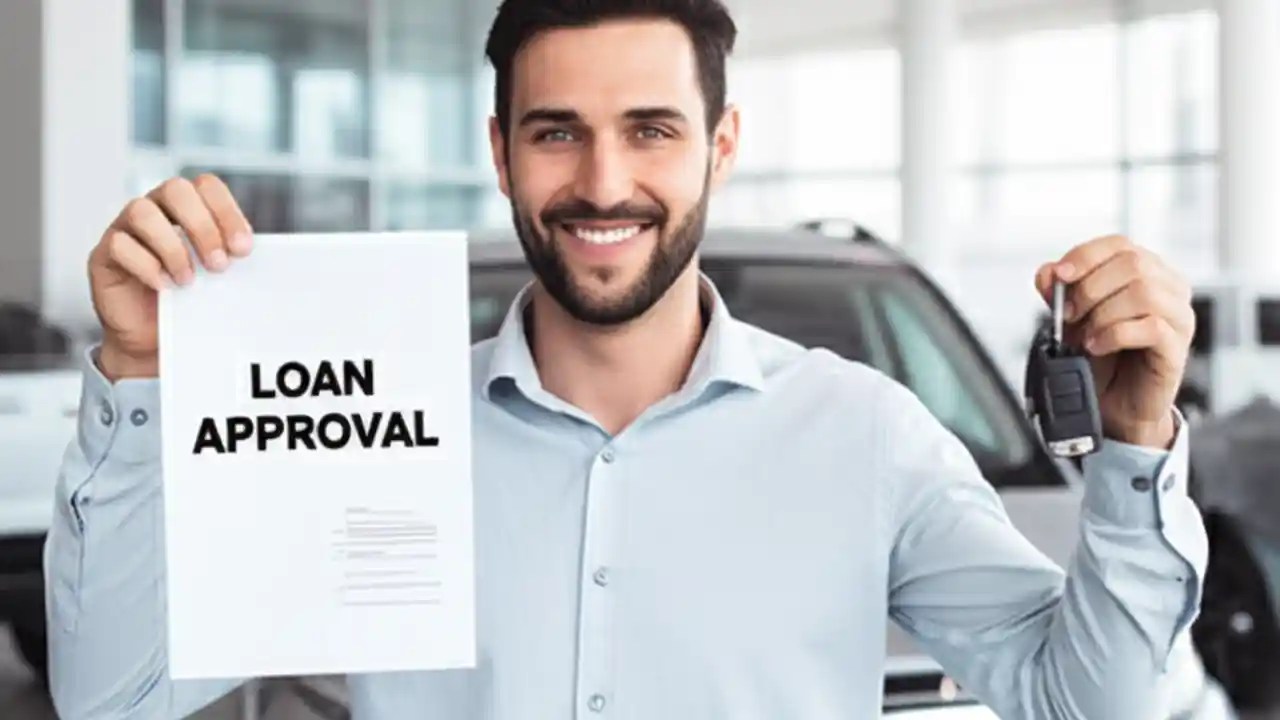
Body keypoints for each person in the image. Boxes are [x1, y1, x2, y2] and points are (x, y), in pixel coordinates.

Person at [45, 1, 1206, 718]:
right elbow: (113, 701)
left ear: (721, 146)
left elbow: (1083, 705)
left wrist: (1136, 446)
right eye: (557, 132)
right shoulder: (373, 429)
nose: (603, 184)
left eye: (649, 129)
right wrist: (141, 373)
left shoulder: (867, 435)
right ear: (501, 153)